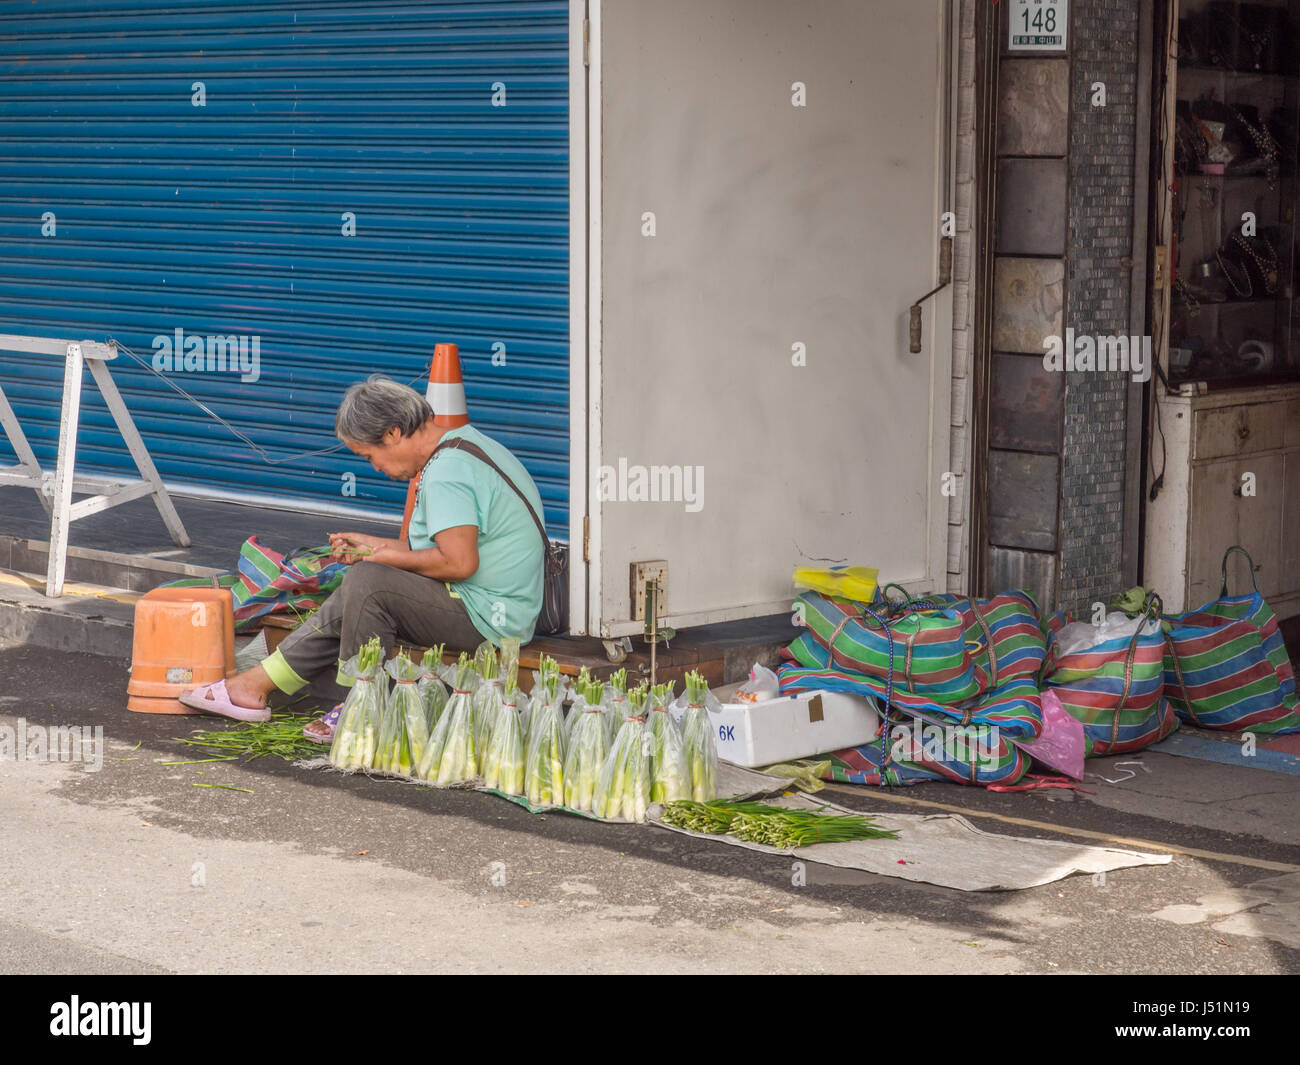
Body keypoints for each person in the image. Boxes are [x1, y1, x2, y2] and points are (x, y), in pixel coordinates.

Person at [179, 374, 545, 734]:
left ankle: (361, 704)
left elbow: (459, 563)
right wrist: (373, 547)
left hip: (492, 619)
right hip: (499, 608)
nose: (377, 469)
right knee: (359, 584)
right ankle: (253, 686)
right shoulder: (463, 446)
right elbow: (437, 549)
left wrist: (377, 560)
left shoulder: (448, 470)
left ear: (393, 432)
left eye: (370, 456)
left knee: (368, 583)